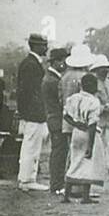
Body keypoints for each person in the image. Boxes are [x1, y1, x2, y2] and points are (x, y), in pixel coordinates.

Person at [63, 73, 107, 203]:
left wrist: (77, 124)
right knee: (88, 165)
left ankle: (66, 195)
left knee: (74, 161)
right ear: (94, 87)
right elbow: (92, 124)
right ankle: (85, 197)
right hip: (88, 134)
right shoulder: (94, 101)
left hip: (76, 132)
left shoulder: (73, 98)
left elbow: (65, 116)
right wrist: (90, 145)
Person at [16, 33, 50, 191]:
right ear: (36, 46)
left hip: (31, 112)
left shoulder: (30, 63)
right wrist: (36, 111)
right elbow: (30, 91)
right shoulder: (31, 64)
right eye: (44, 45)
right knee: (31, 146)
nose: (46, 47)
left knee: (31, 145)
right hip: (33, 113)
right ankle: (27, 179)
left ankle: (27, 177)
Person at [42, 47, 70, 196]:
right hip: (56, 119)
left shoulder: (51, 78)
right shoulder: (53, 80)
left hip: (53, 119)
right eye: (63, 60)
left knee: (59, 151)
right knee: (59, 152)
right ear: (57, 62)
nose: (65, 64)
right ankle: (57, 184)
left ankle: (57, 183)